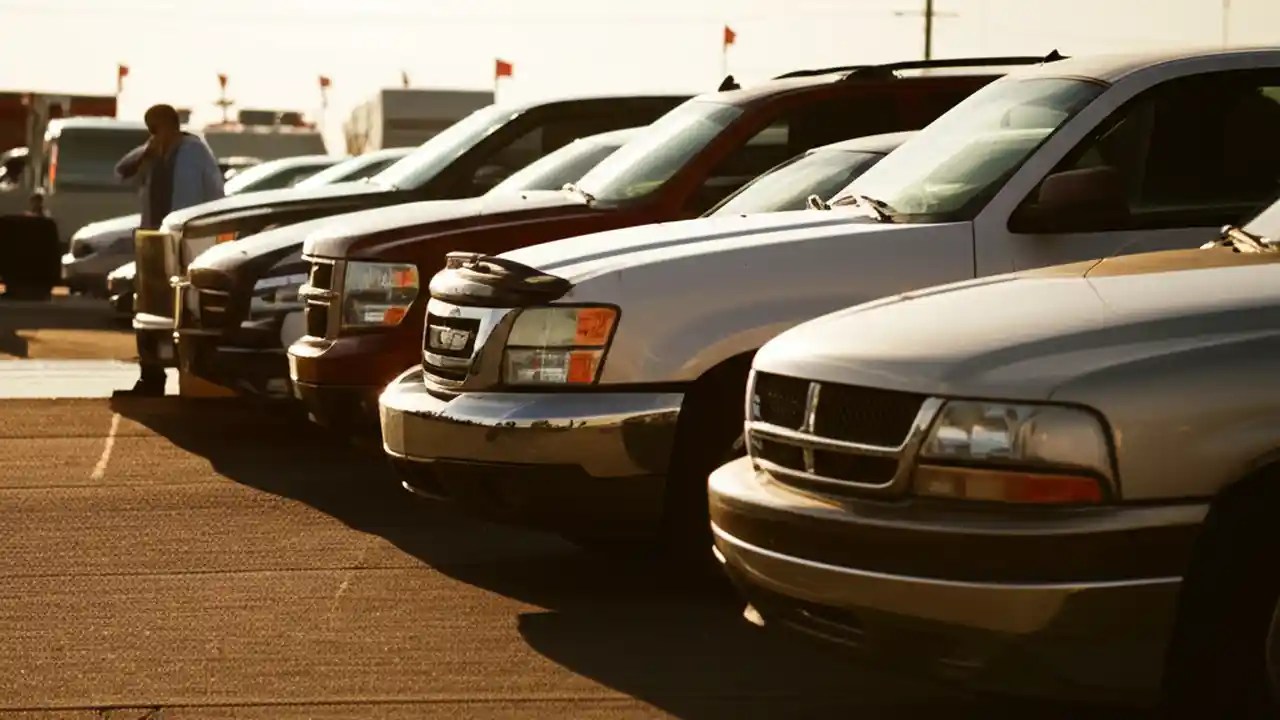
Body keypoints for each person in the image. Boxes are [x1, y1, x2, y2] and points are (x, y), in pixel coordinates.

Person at [112, 104, 224, 397]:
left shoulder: (192, 153)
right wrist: (146, 151)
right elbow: (121, 171)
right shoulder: (155, 155)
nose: (152, 135)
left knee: (185, 311)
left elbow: (189, 205)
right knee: (148, 310)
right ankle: (151, 375)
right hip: (155, 244)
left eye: (155, 128)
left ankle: (196, 376)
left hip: (187, 245)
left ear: (169, 125)